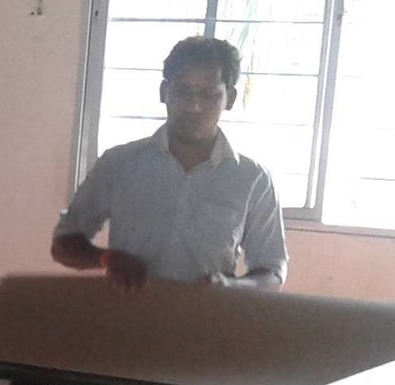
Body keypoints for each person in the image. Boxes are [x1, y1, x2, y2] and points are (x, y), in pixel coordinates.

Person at [51, 35, 289, 291]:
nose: (193, 106)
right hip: (126, 313)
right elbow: (63, 244)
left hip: (209, 315)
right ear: (164, 91)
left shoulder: (254, 180)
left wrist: (230, 287)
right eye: (183, 90)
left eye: (209, 94)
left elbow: (272, 271)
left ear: (229, 98)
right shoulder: (118, 164)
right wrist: (108, 258)